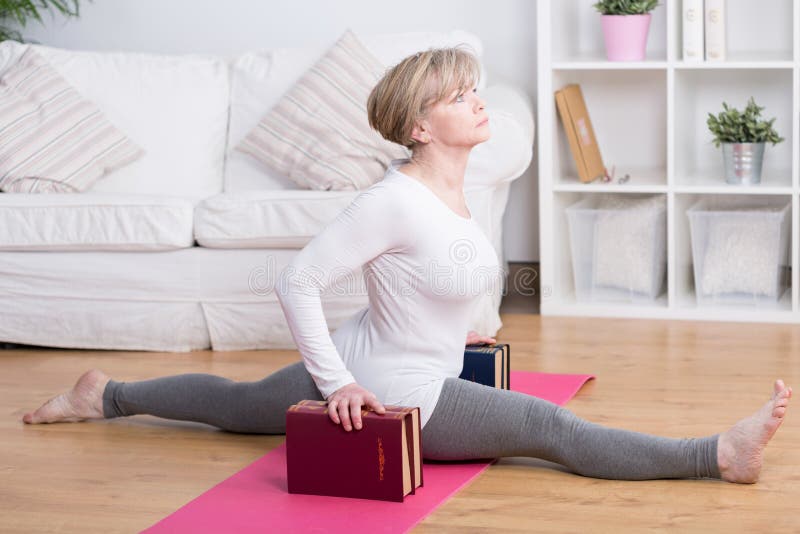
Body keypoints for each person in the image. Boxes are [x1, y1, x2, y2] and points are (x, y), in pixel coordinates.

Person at [23, 47, 791, 484]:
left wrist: (480, 330)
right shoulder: (389, 202)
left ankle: (107, 393)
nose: (477, 101)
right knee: (546, 427)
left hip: (384, 352)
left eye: (472, 88)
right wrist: (340, 385)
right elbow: (298, 281)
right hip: (397, 387)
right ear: (421, 127)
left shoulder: (463, 187)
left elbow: (452, 279)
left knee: (237, 406)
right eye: (458, 97)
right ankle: (716, 455)